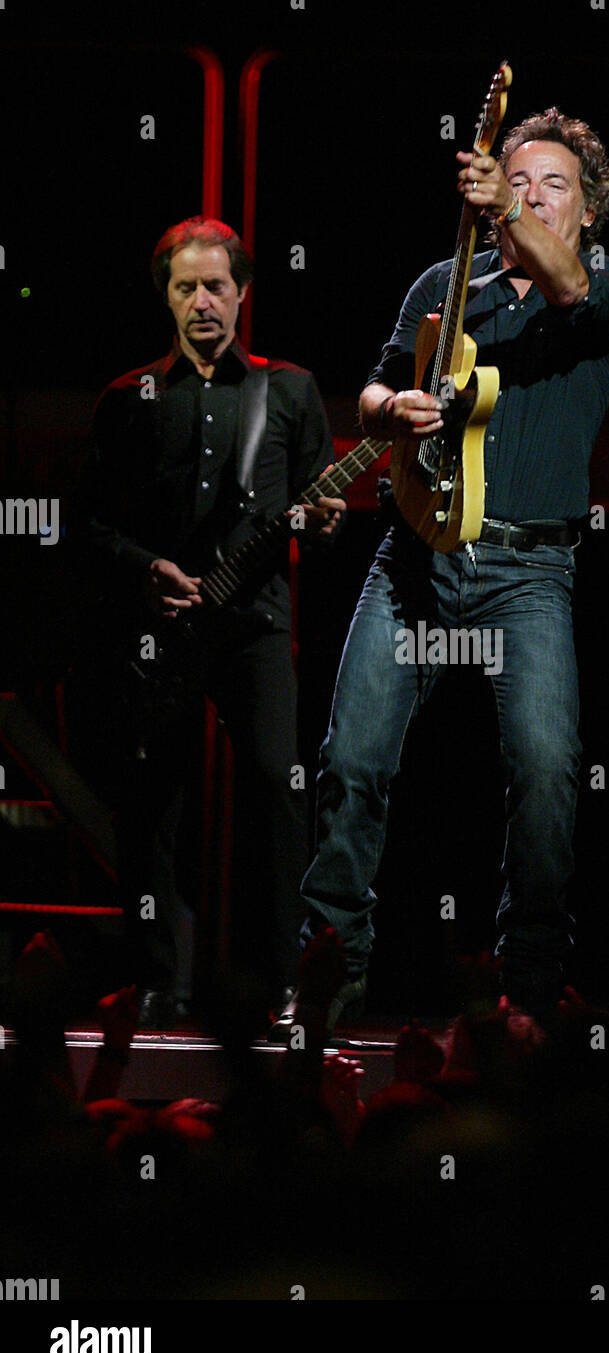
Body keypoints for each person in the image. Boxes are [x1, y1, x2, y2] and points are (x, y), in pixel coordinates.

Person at [273, 107, 609, 1038]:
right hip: (414, 556)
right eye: (516, 180)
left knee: (548, 774)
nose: (531, 196)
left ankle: (528, 992)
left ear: (589, 209)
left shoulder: (605, 286)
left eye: (553, 186)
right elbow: (370, 385)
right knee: (350, 760)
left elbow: (563, 287)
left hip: (528, 571)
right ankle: (326, 973)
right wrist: (389, 403)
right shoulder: (444, 282)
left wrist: (502, 213)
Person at [75, 216, 345, 1028]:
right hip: (160, 630)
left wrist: (325, 519)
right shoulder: (128, 398)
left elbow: (318, 504)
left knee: (275, 785)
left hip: (255, 623)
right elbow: (85, 524)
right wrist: (142, 571)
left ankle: (279, 980)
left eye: (216, 285)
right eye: (186, 286)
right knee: (151, 802)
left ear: (242, 293)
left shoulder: (287, 390)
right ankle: (160, 979)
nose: (202, 301)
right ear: (165, 294)